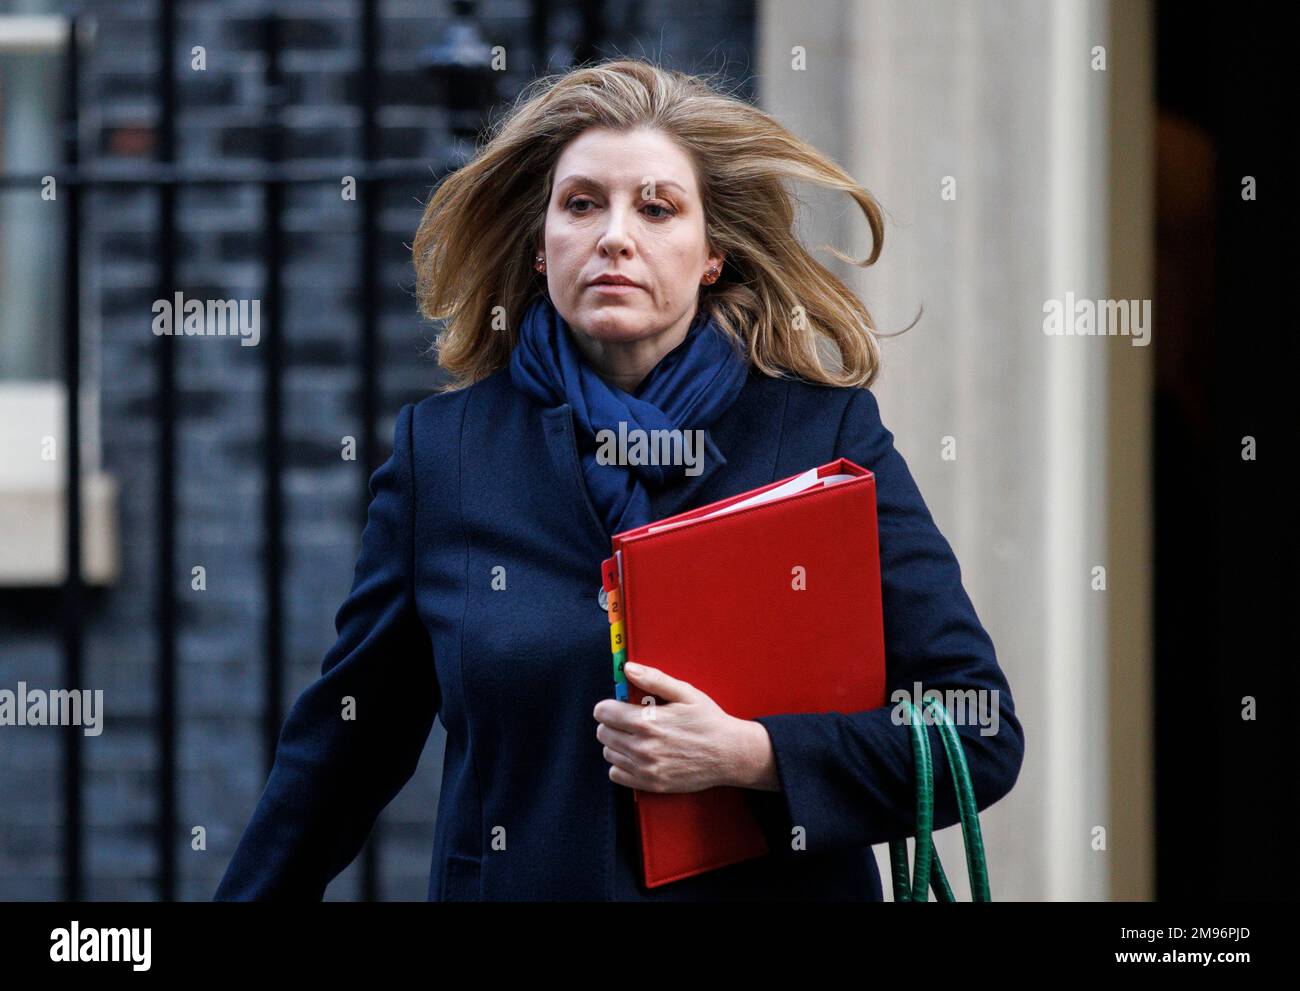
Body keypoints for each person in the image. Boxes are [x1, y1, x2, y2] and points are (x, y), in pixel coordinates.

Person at [214, 58, 1024, 902]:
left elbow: (979, 730)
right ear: (539, 245)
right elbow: (345, 750)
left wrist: (750, 755)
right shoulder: (446, 456)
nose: (614, 235)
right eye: (582, 203)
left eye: (658, 208)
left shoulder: (821, 438)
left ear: (713, 253)